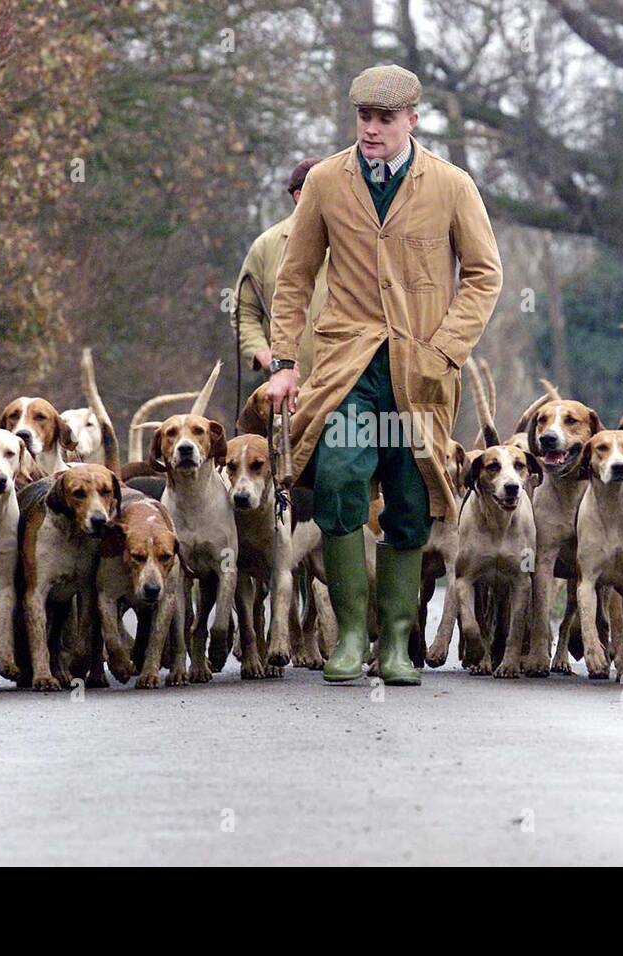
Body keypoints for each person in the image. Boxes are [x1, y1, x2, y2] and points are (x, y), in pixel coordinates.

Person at [266, 64, 502, 685]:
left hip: (420, 371)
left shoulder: (451, 186)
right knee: (341, 479)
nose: (371, 130)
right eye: (363, 118)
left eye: (385, 119)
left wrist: (446, 349)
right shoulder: (324, 181)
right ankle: (349, 635)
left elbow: (484, 273)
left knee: (409, 494)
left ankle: (397, 643)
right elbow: (294, 277)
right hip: (348, 367)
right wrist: (286, 363)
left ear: (412, 121)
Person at [232, 158, 328, 380]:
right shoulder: (265, 247)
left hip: (345, 393)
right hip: (285, 392)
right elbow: (244, 312)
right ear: (299, 197)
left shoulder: (354, 244)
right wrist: (265, 355)